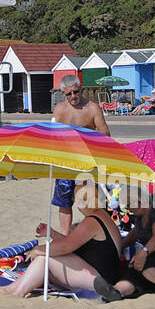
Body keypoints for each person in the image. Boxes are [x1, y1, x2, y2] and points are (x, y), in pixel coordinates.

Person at [0, 181, 124, 298]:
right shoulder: (101, 216)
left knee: (44, 258)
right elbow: (74, 243)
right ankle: (11, 289)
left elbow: (66, 247)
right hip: (106, 273)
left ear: (82, 201)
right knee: (45, 256)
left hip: (101, 279)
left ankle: (16, 291)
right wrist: (51, 233)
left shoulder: (91, 222)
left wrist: (39, 250)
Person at [49, 74, 109, 234]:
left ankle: (95, 231)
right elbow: (51, 134)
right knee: (64, 200)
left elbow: (105, 133)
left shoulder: (92, 108)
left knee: (90, 198)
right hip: (66, 161)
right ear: (63, 94)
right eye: (69, 94)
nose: (73, 96)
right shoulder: (60, 110)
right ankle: (65, 235)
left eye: (76, 92)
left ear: (80, 89)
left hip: (88, 160)